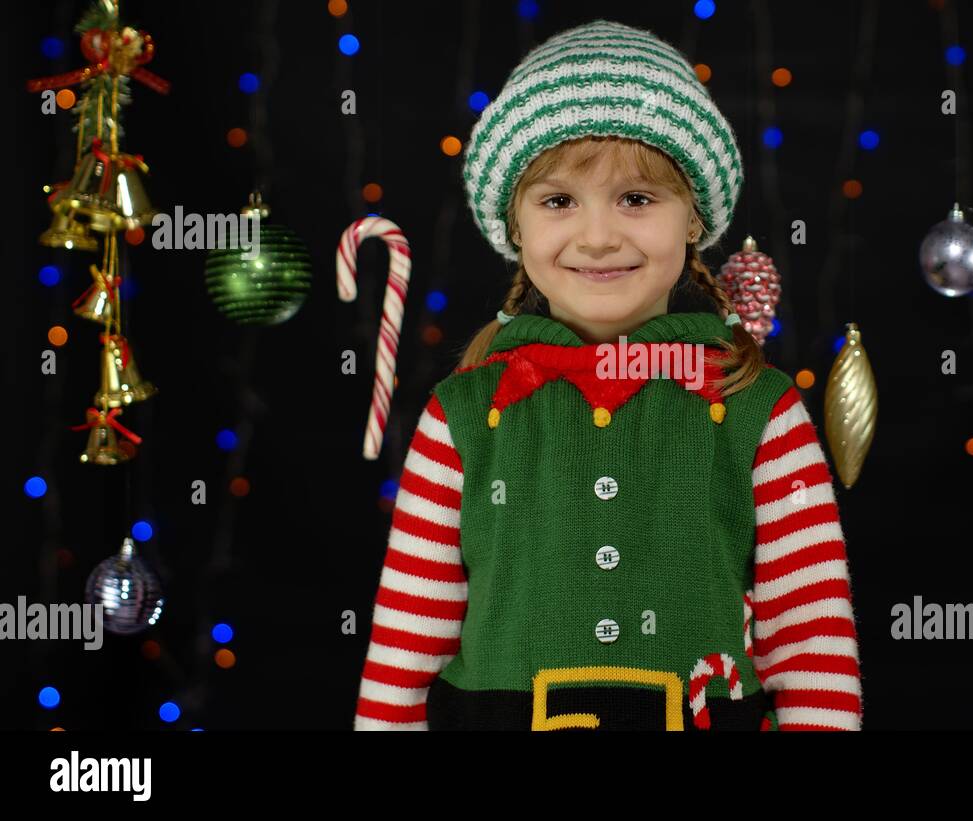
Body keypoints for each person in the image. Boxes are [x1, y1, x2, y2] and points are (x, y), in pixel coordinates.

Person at [354, 19, 862, 731]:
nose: (598, 236)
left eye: (638, 199)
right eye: (559, 201)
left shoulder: (761, 411)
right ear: (515, 225)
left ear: (693, 219)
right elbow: (403, 656)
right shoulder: (462, 416)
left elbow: (813, 653)